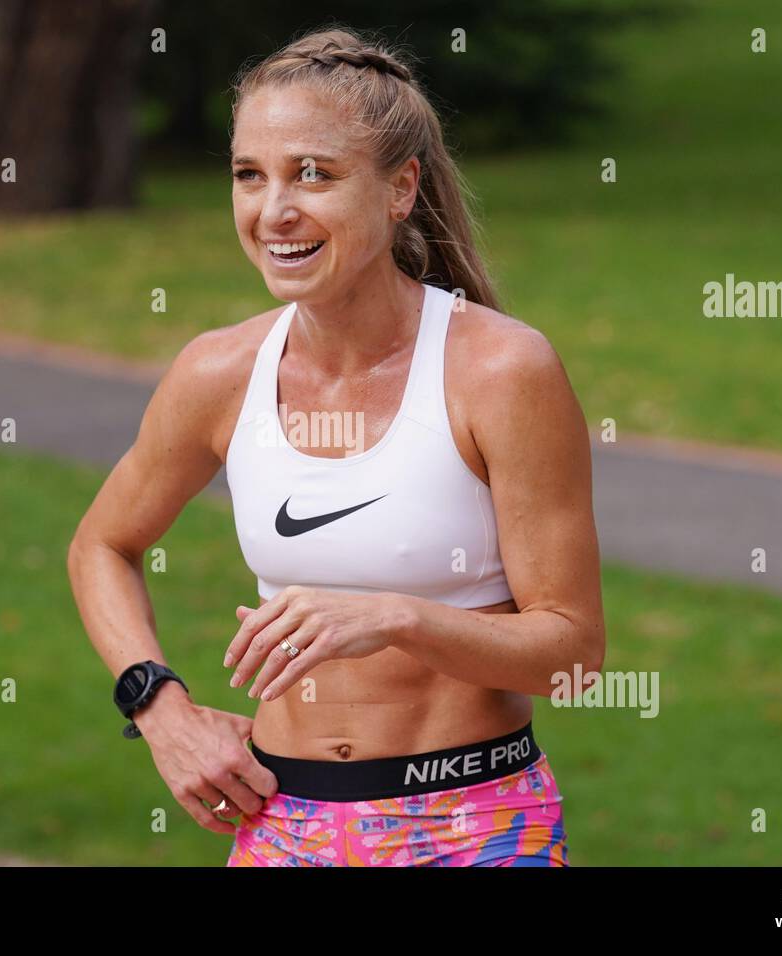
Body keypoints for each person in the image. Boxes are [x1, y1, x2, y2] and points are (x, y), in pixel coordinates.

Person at [67, 27, 604, 866]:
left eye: (312, 174)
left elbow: (572, 653)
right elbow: (103, 542)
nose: (273, 211)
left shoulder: (501, 371)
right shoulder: (219, 370)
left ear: (400, 190)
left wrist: (392, 617)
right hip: (284, 826)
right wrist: (158, 707)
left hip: (472, 826)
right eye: (250, 176)